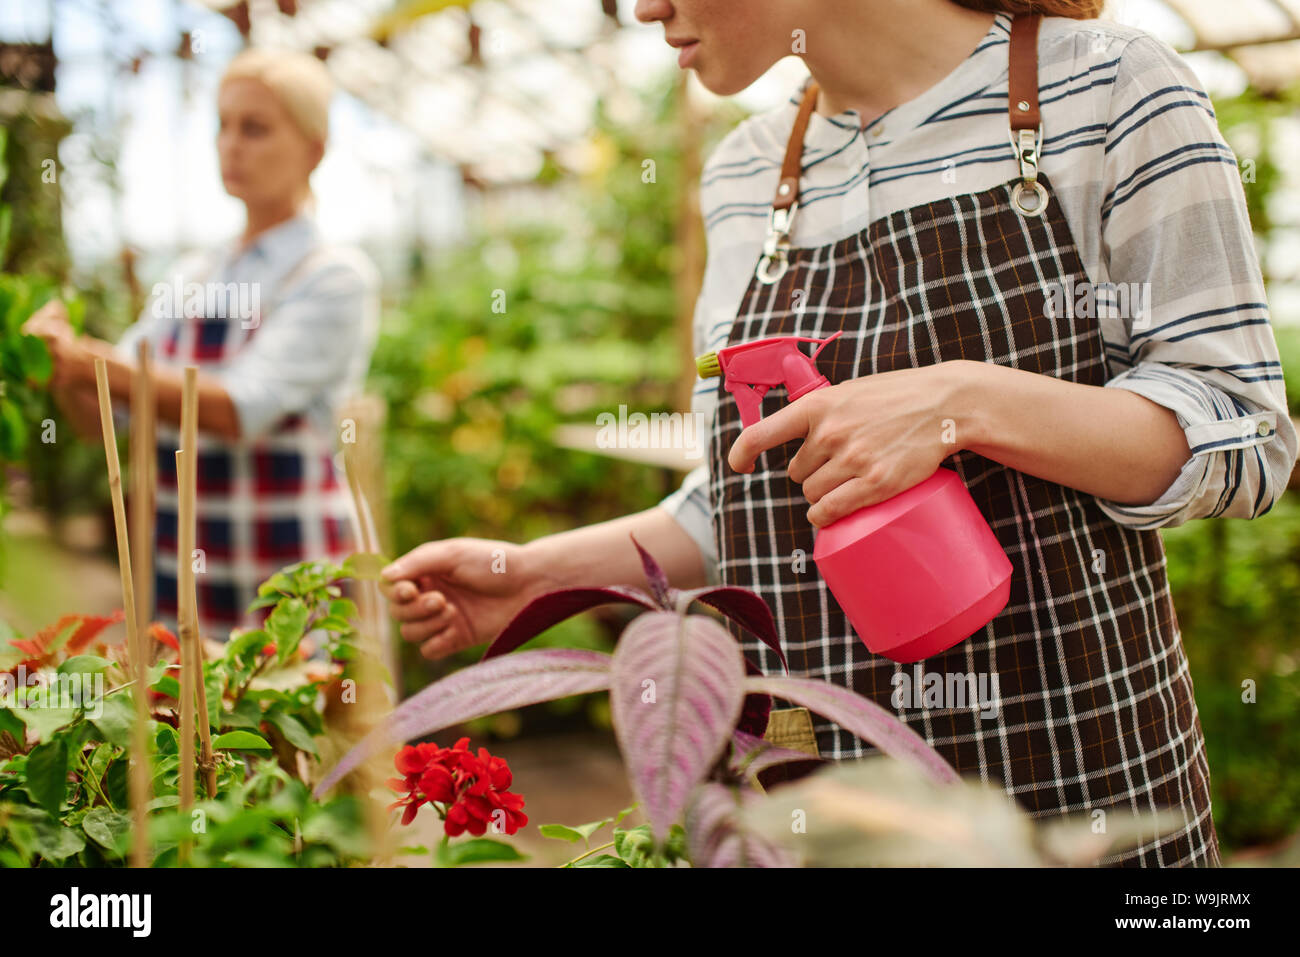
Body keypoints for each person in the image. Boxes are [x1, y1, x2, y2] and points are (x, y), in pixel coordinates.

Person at [378, 0, 1296, 867]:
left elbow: (1246, 435)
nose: (642, 8)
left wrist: (961, 402)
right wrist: (531, 578)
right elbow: (741, 503)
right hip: (808, 786)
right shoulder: (745, 174)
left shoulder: (1106, 90)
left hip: (1067, 783)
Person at [25, 48, 380, 641]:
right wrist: (63, 373)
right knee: (191, 724)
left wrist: (88, 361)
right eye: (223, 125)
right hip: (187, 573)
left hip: (291, 569)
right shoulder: (192, 277)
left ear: (315, 150)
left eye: (255, 128)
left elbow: (239, 409)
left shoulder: (332, 276)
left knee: (292, 718)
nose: (231, 144)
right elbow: (102, 422)